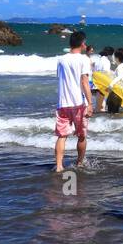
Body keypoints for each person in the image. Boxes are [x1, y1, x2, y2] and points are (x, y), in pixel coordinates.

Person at [52, 32, 92, 172]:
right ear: (82, 44)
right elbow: (84, 82)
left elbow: (60, 78)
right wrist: (90, 104)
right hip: (78, 103)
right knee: (81, 136)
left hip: (63, 103)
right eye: (85, 43)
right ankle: (79, 163)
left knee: (62, 136)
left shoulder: (61, 59)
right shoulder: (84, 59)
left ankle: (58, 166)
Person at [107, 48, 123, 114]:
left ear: (117, 58)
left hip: (116, 93)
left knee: (111, 112)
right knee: (116, 111)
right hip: (121, 92)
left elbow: (120, 76)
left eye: (114, 56)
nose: (113, 57)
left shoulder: (120, 67)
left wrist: (111, 84)